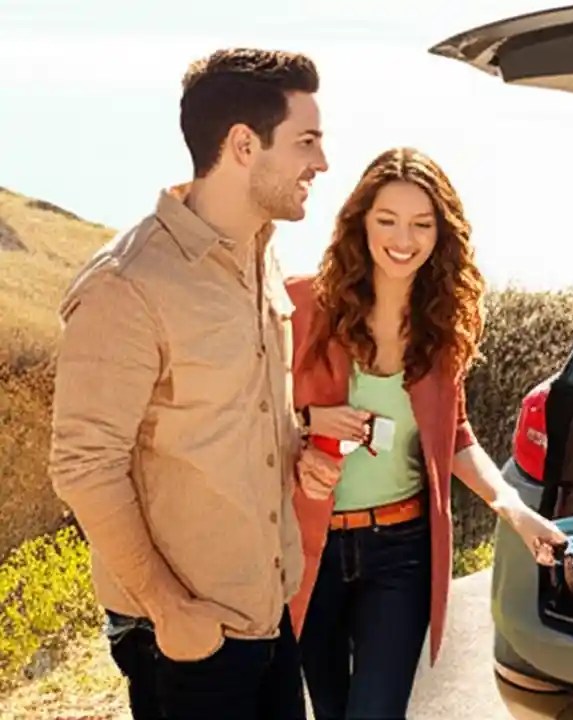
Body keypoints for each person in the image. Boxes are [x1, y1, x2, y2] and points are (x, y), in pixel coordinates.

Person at [47, 47, 341, 720]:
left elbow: (222, 416)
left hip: (267, 613)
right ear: (243, 145)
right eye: (306, 142)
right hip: (186, 638)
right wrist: (172, 611)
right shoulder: (127, 285)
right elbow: (84, 466)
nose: (321, 163)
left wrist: (297, 447)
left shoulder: (260, 257)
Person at [285, 146, 569, 719]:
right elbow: (247, 412)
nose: (403, 238)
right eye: (386, 220)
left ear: (442, 233)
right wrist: (307, 424)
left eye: (421, 223)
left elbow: (455, 434)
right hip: (309, 548)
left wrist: (511, 508)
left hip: (399, 551)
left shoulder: (443, 326)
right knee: (333, 710)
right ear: (359, 222)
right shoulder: (301, 306)